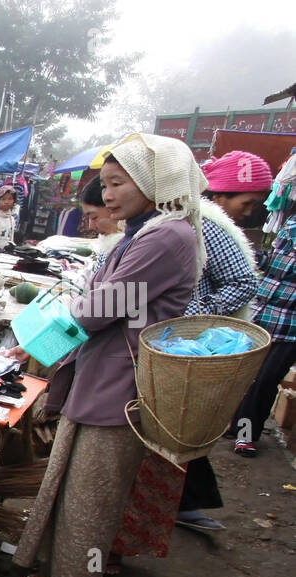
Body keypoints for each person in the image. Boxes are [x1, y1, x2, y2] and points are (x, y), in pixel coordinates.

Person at [10, 133, 205, 577]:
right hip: (103, 371)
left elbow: (102, 307)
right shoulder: (144, 232)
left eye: (118, 183)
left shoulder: (167, 236)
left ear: (153, 182)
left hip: (122, 381)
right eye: (106, 183)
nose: (109, 193)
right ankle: (61, 567)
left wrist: (41, 336)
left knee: (94, 488)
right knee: (76, 478)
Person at [111, 150, 269, 551]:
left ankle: (145, 529)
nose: (249, 213)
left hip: (174, 347)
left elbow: (242, 283)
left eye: (117, 185)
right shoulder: (168, 226)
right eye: (245, 202)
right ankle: (144, 528)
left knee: (166, 436)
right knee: (161, 438)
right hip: (158, 343)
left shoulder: (196, 227)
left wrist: (187, 321)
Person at [230, 213, 296, 457]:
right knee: (243, 376)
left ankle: (246, 435)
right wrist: (250, 256)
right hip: (260, 316)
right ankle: (236, 425)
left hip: (289, 328)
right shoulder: (291, 224)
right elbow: (274, 262)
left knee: (262, 382)